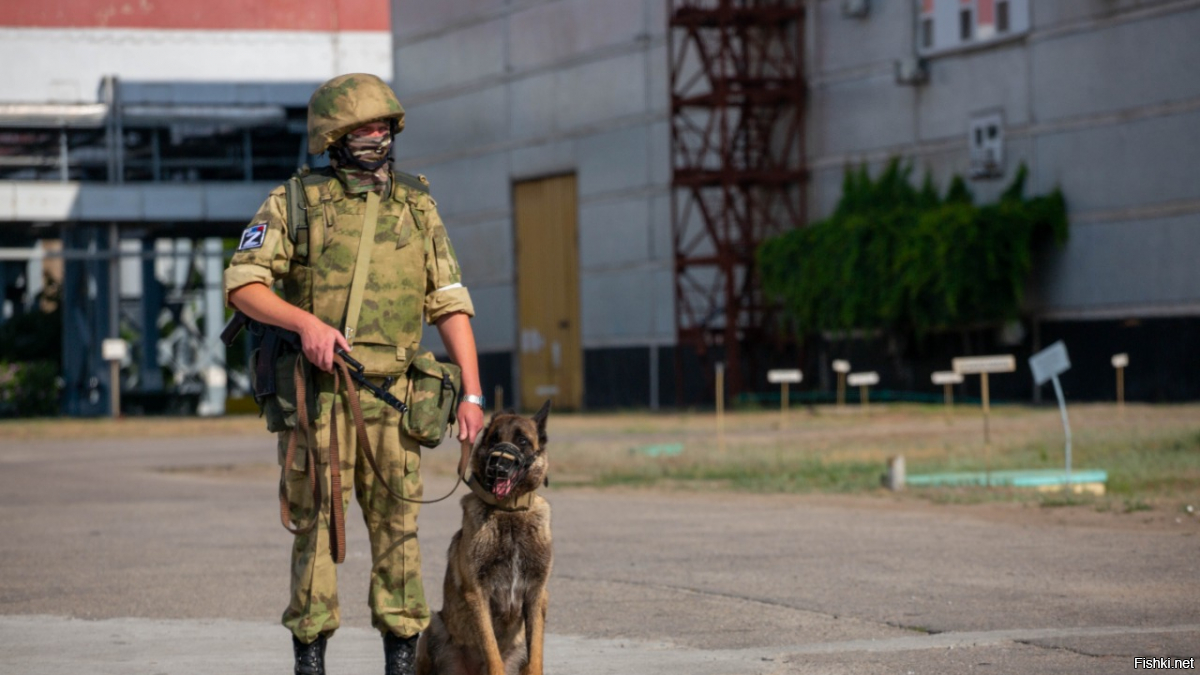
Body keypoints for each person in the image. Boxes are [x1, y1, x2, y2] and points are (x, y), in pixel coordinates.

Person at [223, 73, 485, 675]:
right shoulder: (296, 201)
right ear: (333, 136)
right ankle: (310, 661)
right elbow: (243, 284)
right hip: (320, 403)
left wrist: (471, 393)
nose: (374, 137)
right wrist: (305, 325)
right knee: (314, 534)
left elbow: (449, 300)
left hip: (396, 403)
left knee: (400, 537)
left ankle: (400, 661)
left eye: (381, 126)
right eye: (359, 128)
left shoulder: (418, 206)